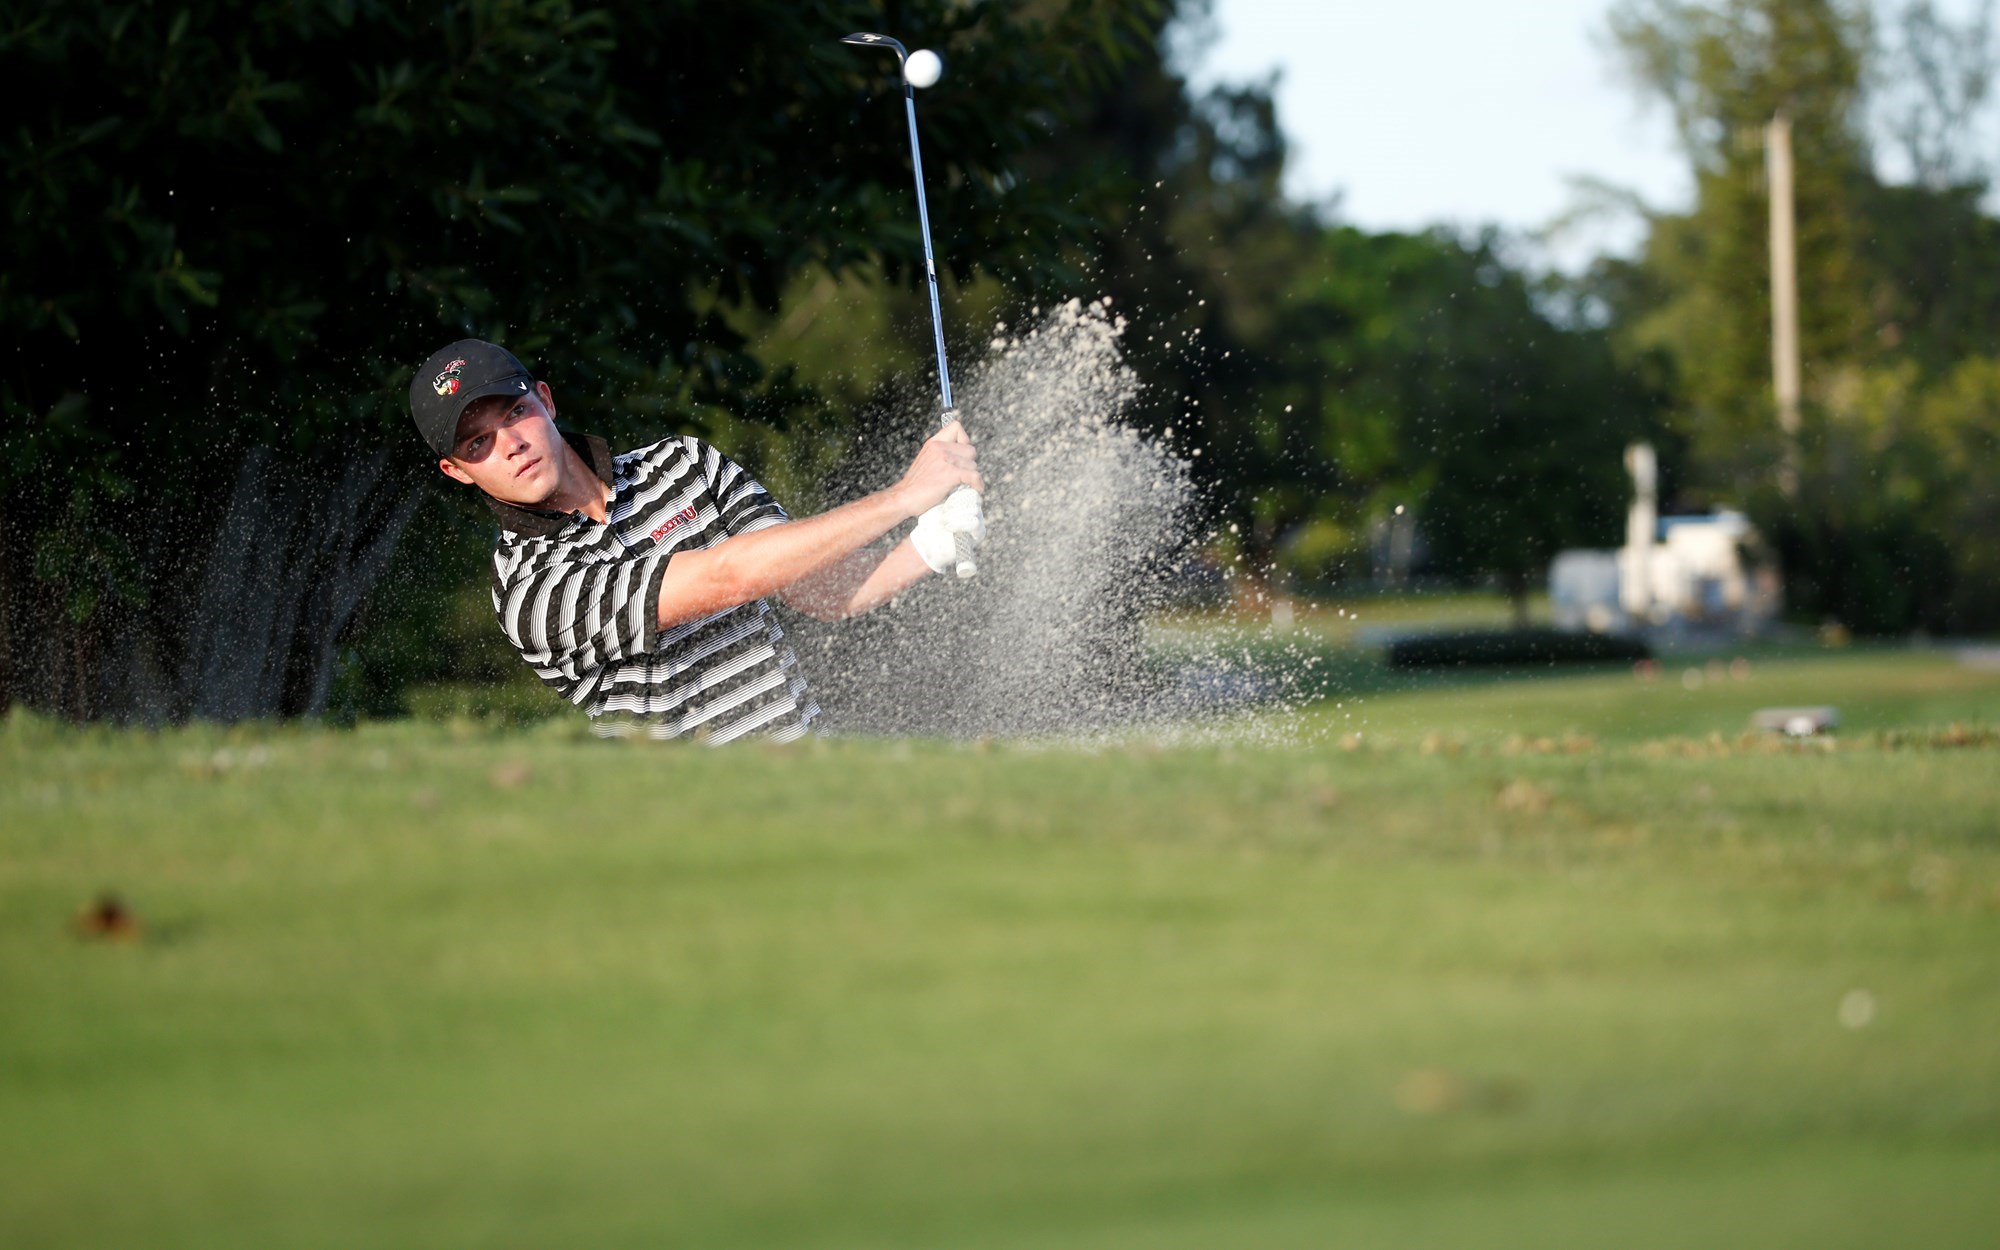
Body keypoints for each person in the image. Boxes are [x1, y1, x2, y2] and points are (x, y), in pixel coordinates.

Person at [408, 339, 984, 744]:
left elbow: (816, 588)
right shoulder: (527, 588)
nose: (510, 444)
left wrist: (930, 544)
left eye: (516, 412)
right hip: (693, 825)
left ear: (546, 400)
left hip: (813, 772)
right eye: (478, 443)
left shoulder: (684, 464)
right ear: (456, 471)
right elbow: (727, 577)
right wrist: (905, 497)